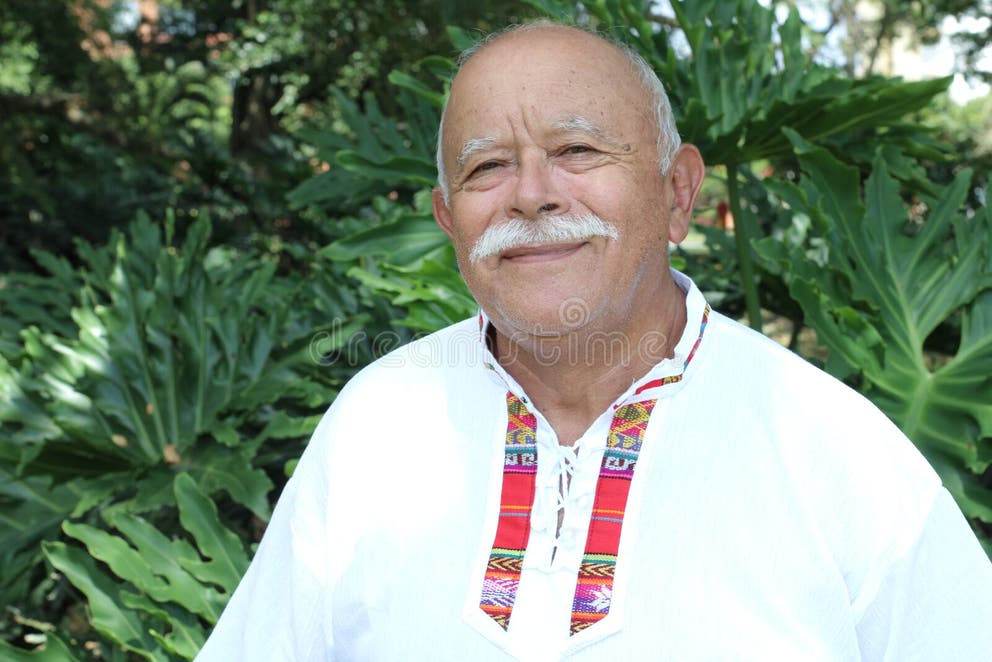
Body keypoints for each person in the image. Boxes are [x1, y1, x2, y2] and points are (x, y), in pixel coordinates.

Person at [197, 21, 992, 661]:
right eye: (487, 168)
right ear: (448, 219)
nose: (533, 194)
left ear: (678, 193)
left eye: (577, 151)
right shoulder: (378, 423)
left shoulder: (832, 447)